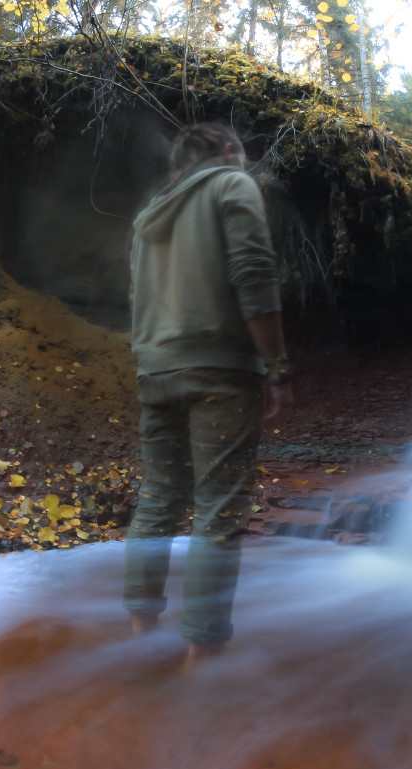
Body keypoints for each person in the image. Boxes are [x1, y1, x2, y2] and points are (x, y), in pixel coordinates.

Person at [122, 122, 291, 664]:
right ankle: (203, 656)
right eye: (242, 152)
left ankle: (140, 631)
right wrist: (276, 364)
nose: (246, 162)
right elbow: (253, 274)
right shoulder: (230, 184)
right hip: (218, 370)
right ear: (227, 150)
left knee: (159, 500)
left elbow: (135, 299)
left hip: (157, 372)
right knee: (217, 511)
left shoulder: (147, 218)